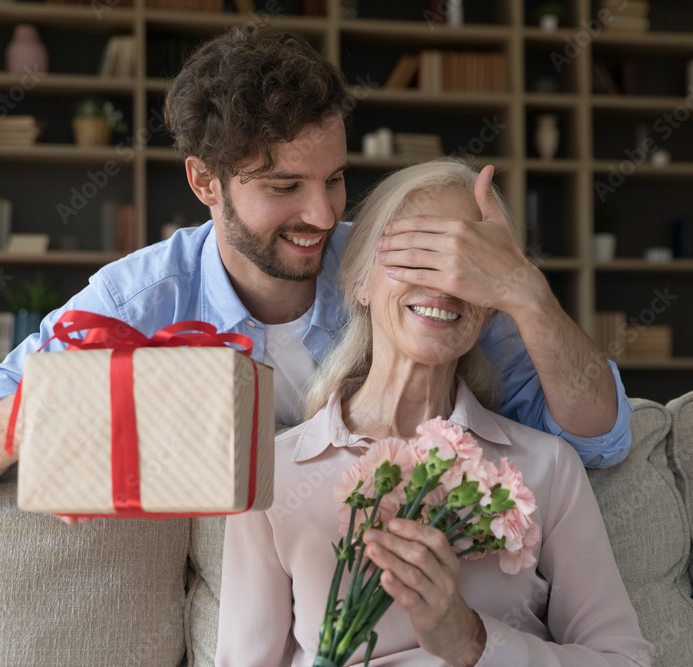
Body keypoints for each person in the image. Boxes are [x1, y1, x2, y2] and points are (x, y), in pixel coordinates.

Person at [0, 23, 633, 496]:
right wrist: (47, 406)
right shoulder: (142, 300)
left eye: (333, 179)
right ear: (205, 182)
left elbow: (597, 440)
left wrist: (526, 293)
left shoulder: (391, 270)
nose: (323, 216)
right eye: (284, 187)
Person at [216, 159, 654, 666]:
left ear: (492, 303)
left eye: (472, 269)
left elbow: (627, 660)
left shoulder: (547, 466)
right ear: (360, 279)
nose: (444, 287)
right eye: (418, 255)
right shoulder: (270, 473)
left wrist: (474, 642)